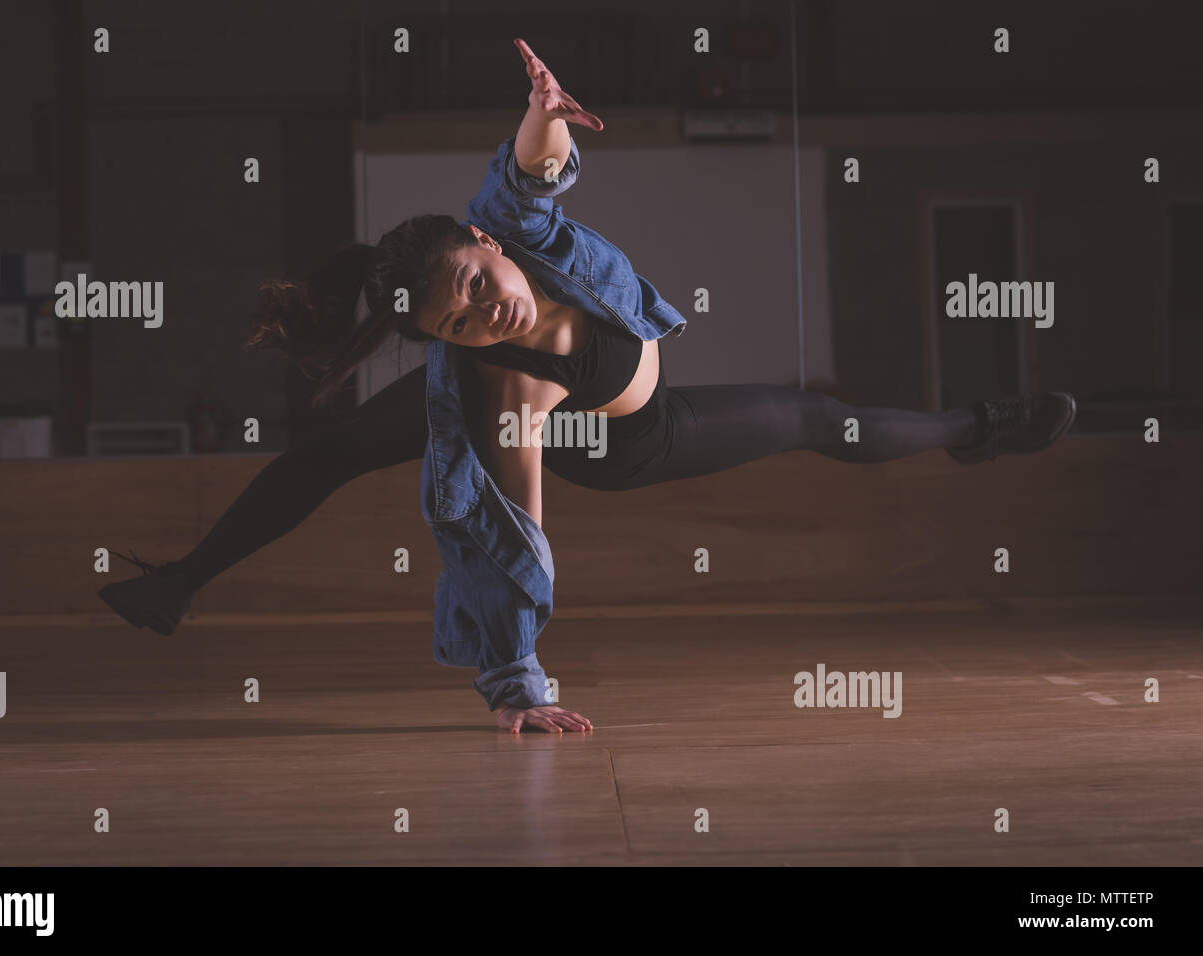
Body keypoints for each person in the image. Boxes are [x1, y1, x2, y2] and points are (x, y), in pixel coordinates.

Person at [100, 39, 1077, 735]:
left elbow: (529, 172)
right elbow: (514, 543)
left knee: (818, 414)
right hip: (620, 447)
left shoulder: (505, 225)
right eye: (458, 322)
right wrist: (516, 687)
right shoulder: (491, 385)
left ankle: (981, 426)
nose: (490, 314)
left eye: (481, 289)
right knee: (341, 447)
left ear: (486, 246)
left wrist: (541, 110)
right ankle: (179, 581)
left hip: (638, 397)